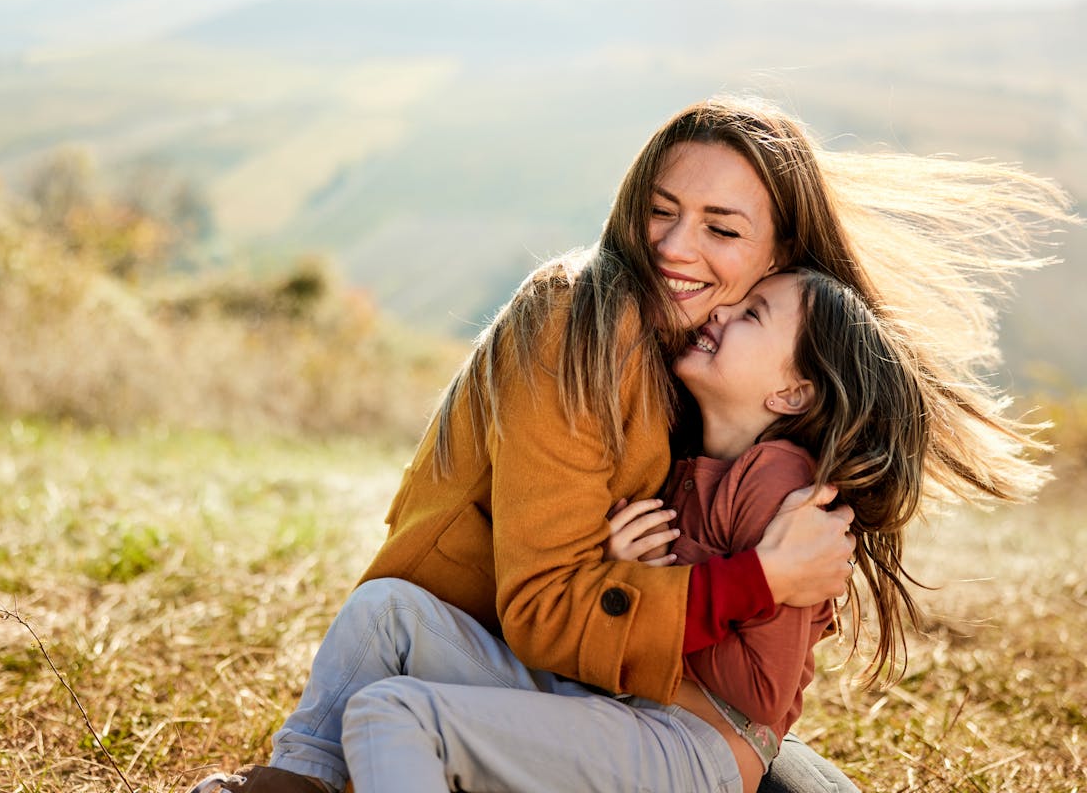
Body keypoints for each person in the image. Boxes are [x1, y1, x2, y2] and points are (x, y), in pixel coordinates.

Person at [188, 95, 1072, 793]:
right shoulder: (588, 324)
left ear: (779, 255)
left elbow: (767, 632)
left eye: (723, 230)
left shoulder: (743, 403)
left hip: (666, 715)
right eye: (661, 212)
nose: (675, 249)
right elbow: (562, 612)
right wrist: (735, 578)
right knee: (381, 623)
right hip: (551, 666)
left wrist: (777, 580)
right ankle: (295, 783)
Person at [337, 268, 926, 793]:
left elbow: (761, 696)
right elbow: (623, 620)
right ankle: (299, 776)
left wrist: (730, 582)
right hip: (624, 708)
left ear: (790, 392)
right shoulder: (687, 462)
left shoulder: (782, 489)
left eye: (751, 314)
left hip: (699, 750)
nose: (721, 311)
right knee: (387, 608)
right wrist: (621, 573)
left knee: (391, 713)